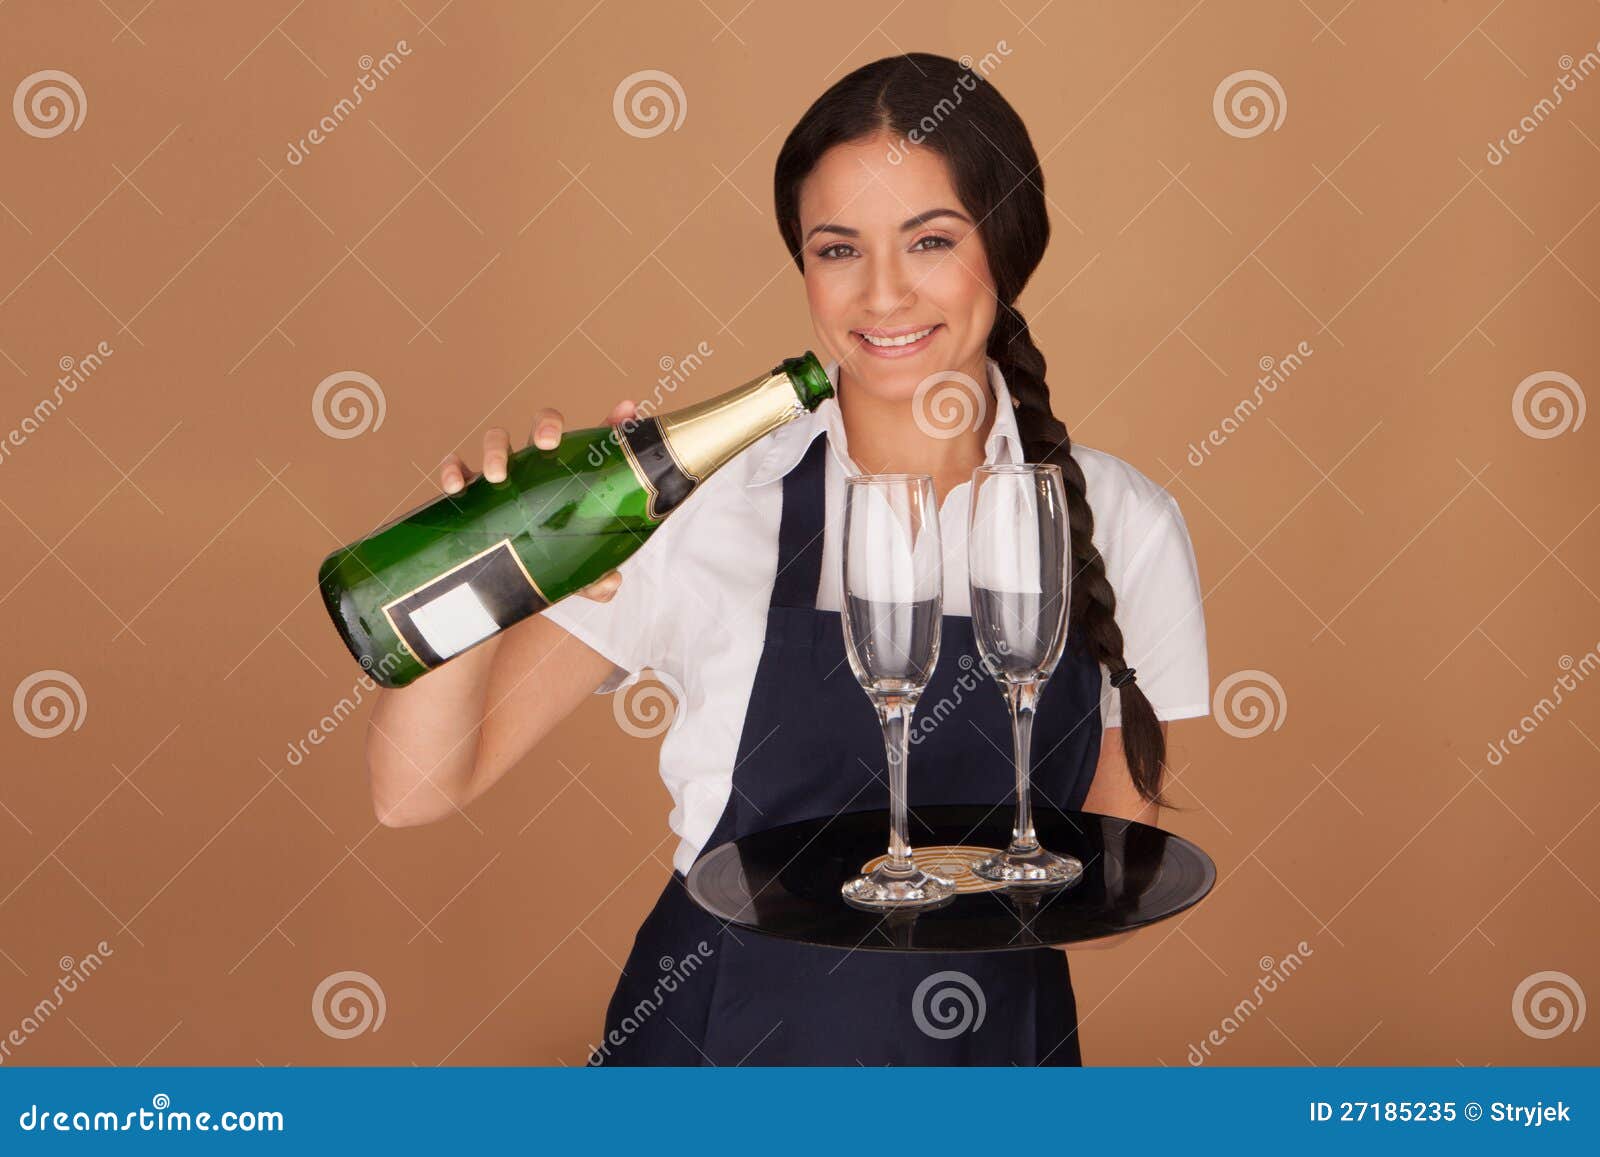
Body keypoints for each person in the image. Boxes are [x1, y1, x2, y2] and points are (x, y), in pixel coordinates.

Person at [366, 52, 1210, 1065]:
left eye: (931, 240)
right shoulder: (704, 507)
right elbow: (414, 789)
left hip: (994, 1059)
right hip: (716, 1049)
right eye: (837, 248)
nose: (883, 293)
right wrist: (480, 572)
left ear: (1008, 248)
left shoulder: (1120, 520)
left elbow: (1113, 850)